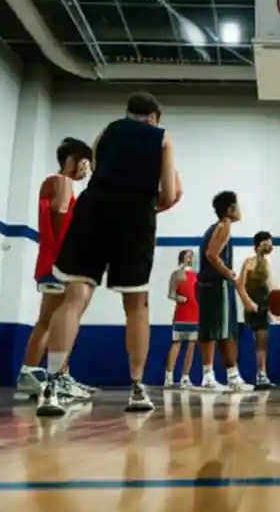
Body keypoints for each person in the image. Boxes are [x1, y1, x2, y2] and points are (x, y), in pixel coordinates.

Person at [36, 92, 182, 417]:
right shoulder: (162, 138)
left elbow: (100, 173)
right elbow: (171, 194)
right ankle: (137, 387)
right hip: (135, 215)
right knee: (136, 305)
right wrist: (148, 205)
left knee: (74, 297)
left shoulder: (106, 133)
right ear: (154, 117)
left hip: (93, 209)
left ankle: (52, 385)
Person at [17, 137, 95, 402]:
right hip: (60, 262)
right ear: (73, 160)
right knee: (60, 320)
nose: (86, 170)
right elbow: (60, 214)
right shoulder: (62, 182)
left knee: (49, 321)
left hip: (49, 261)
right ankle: (55, 377)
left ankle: (37, 374)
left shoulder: (51, 183)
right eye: (85, 163)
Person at [196, 191, 253, 393]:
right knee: (226, 331)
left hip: (205, 286)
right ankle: (233, 377)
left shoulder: (213, 228)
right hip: (217, 285)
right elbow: (212, 254)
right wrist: (229, 273)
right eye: (238, 205)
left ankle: (209, 376)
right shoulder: (224, 225)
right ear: (230, 209)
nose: (240, 210)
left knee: (211, 331)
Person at [237, 231, 276, 389]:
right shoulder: (249, 262)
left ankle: (261, 376)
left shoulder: (266, 264)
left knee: (262, 342)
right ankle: (258, 376)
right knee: (259, 342)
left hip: (264, 306)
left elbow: (270, 286)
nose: (269, 246)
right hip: (253, 307)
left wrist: (278, 306)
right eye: (266, 243)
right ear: (258, 245)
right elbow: (240, 285)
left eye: (270, 243)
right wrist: (247, 302)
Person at [164, 249, 199, 388]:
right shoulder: (177, 274)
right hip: (182, 314)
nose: (189, 258)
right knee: (176, 343)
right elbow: (171, 294)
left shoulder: (196, 276)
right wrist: (180, 298)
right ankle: (169, 376)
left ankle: (185, 377)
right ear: (181, 258)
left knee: (191, 345)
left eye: (191, 256)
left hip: (195, 314)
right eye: (187, 256)